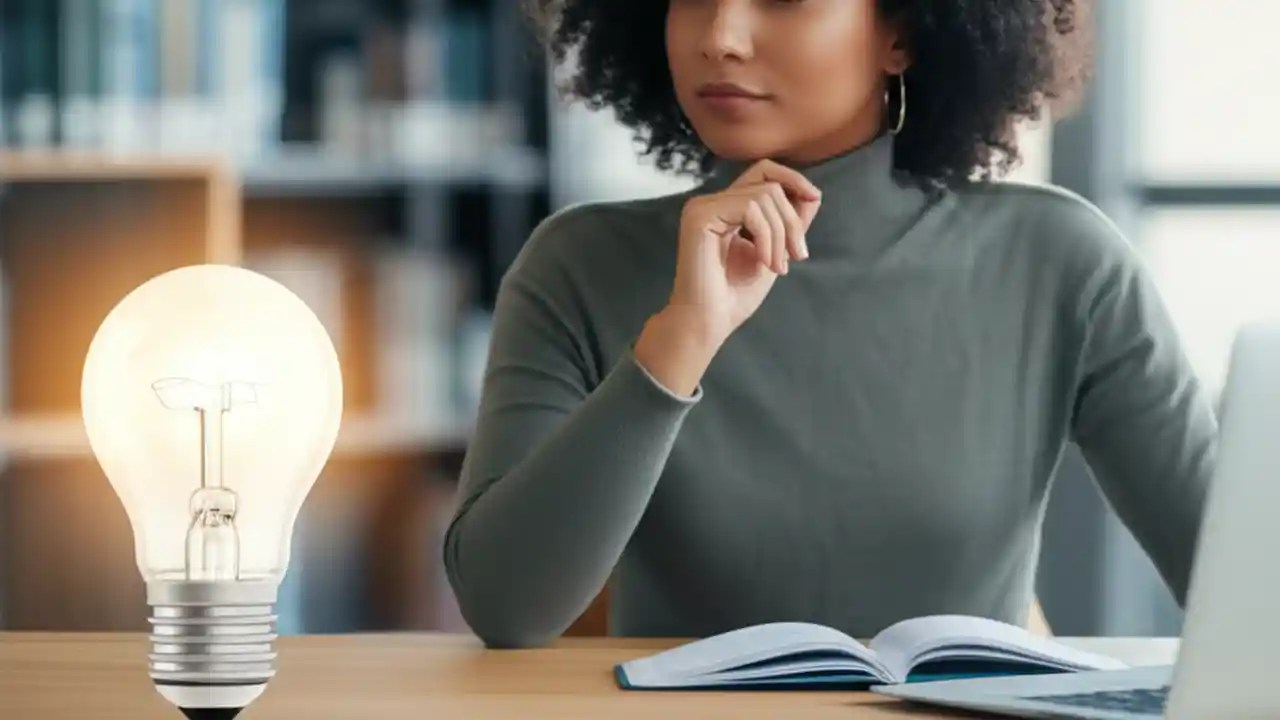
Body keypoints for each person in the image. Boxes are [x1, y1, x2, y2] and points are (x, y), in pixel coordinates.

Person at [443, 0, 1218, 649]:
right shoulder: (579, 264)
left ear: (902, 33)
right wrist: (680, 339)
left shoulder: (1061, 262)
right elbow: (506, 609)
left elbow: (1238, 590)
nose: (720, 34)